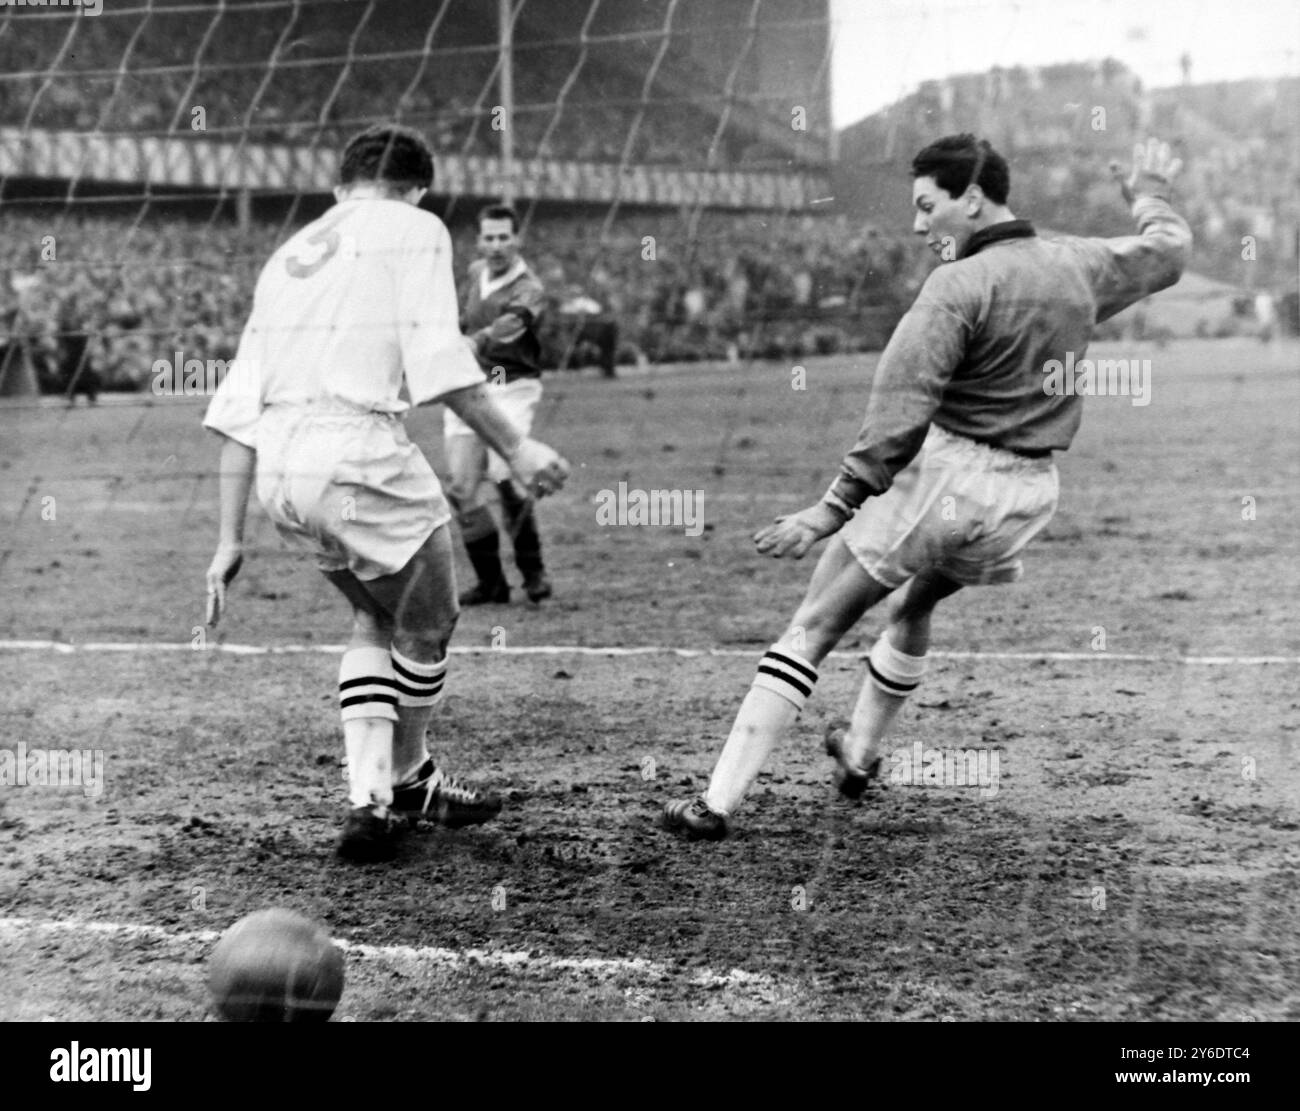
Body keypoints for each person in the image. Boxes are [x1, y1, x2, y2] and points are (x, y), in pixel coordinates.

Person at [662, 135, 1191, 840]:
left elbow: (900, 409)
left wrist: (834, 504)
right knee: (916, 600)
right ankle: (858, 750)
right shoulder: (1078, 262)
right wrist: (1150, 188)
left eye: (925, 206)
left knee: (815, 621)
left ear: (972, 198)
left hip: (948, 479)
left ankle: (715, 803)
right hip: (1028, 495)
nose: (917, 225)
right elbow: (1169, 250)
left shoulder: (957, 284)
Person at [201, 126, 569, 862]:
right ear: (418, 188)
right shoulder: (416, 227)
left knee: (375, 616)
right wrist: (518, 445)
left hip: (280, 469)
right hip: (358, 451)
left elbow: (237, 407)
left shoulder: (288, 257)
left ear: (340, 188)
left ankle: (373, 798)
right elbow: (439, 359)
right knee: (432, 615)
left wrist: (229, 540)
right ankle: (407, 780)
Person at [445, 203, 553, 605]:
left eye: (503, 237)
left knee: (506, 475)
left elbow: (510, 326)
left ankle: (533, 571)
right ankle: (492, 583)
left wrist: (474, 341)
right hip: (471, 386)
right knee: (461, 488)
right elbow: (461, 319)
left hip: (513, 386)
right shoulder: (474, 274)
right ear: (479, 241)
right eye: (488, 237)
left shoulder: (530, 287)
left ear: (517, 239)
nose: (496, 245)